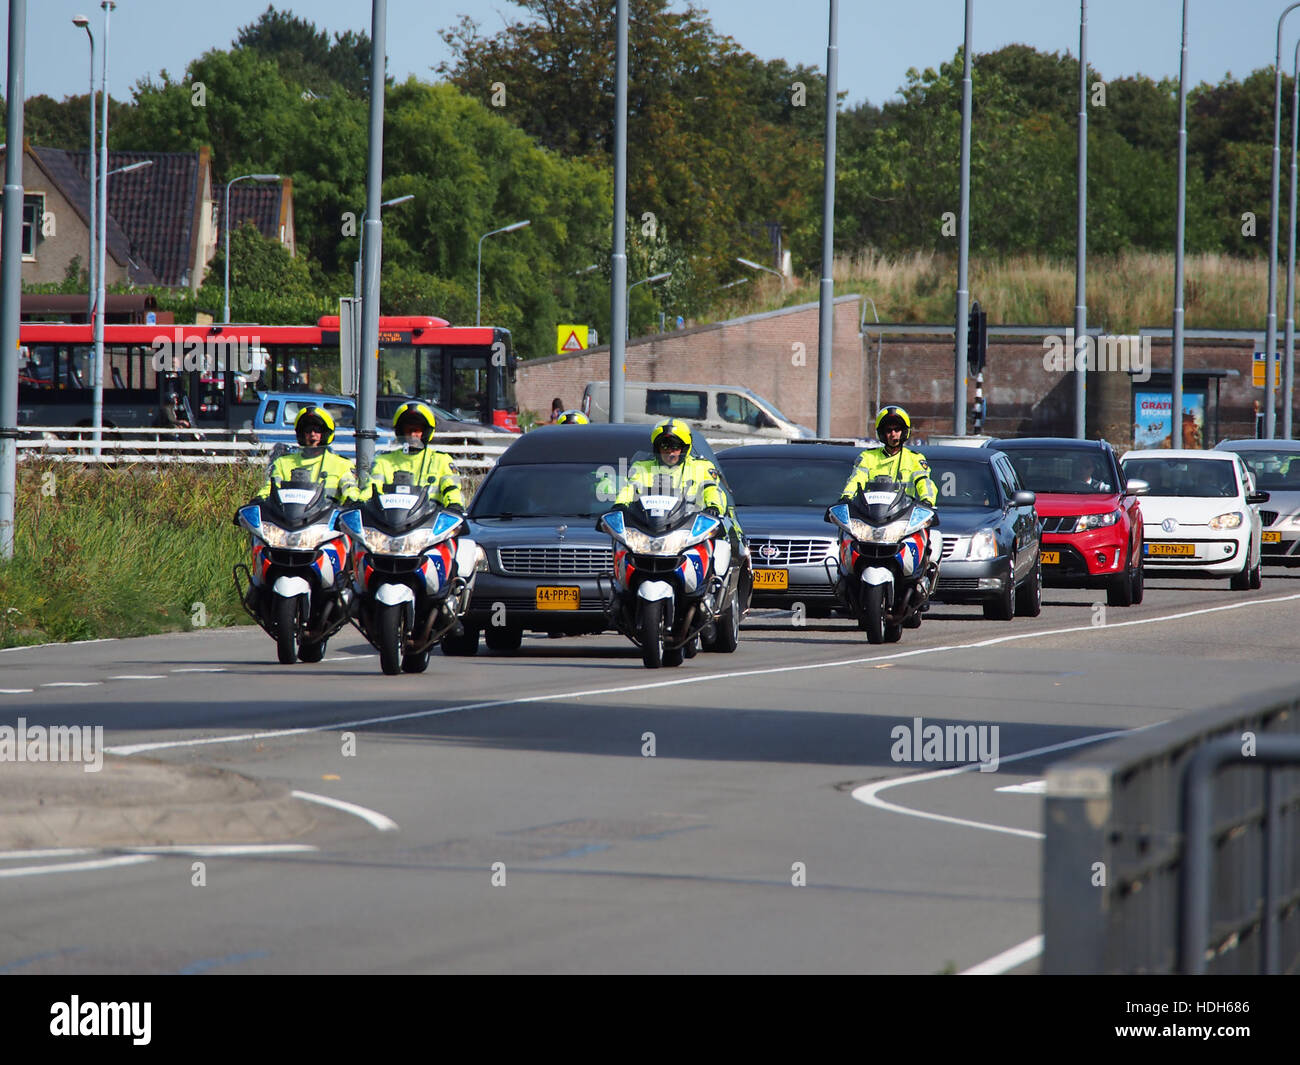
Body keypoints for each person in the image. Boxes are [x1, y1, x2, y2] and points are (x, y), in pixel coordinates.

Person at [363, 401, 464, 512]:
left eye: (416, 430)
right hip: (390, 519)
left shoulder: (441, 460)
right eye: (408, 430)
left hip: (430, 519)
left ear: (426, 432)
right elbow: (371, 488)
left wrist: (455, 505)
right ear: (400, 431)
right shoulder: (383, 461)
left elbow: (452, 489)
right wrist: (361, 502)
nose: (412, 435)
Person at [256, 405, 358, 504]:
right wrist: (260, 499)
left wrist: (352, 500)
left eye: (317, 430)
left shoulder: (342, 464)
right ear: (301, 434)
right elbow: (270, 488)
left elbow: (349, 488)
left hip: (327, 517)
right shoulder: (283, 463)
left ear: (325, 433)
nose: (312, 434)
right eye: (308, 430)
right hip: (290, 517)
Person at [839, 405, 937, 506]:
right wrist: (846, 497)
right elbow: (856, 479)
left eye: (897, 430)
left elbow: (924, 481)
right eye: (888, 430)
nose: (893, 434)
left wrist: (927, 501)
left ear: (904, 432)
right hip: (871, 513)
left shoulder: (914, 458)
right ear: (882, 433)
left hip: (904, 513)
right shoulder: (868, 457)